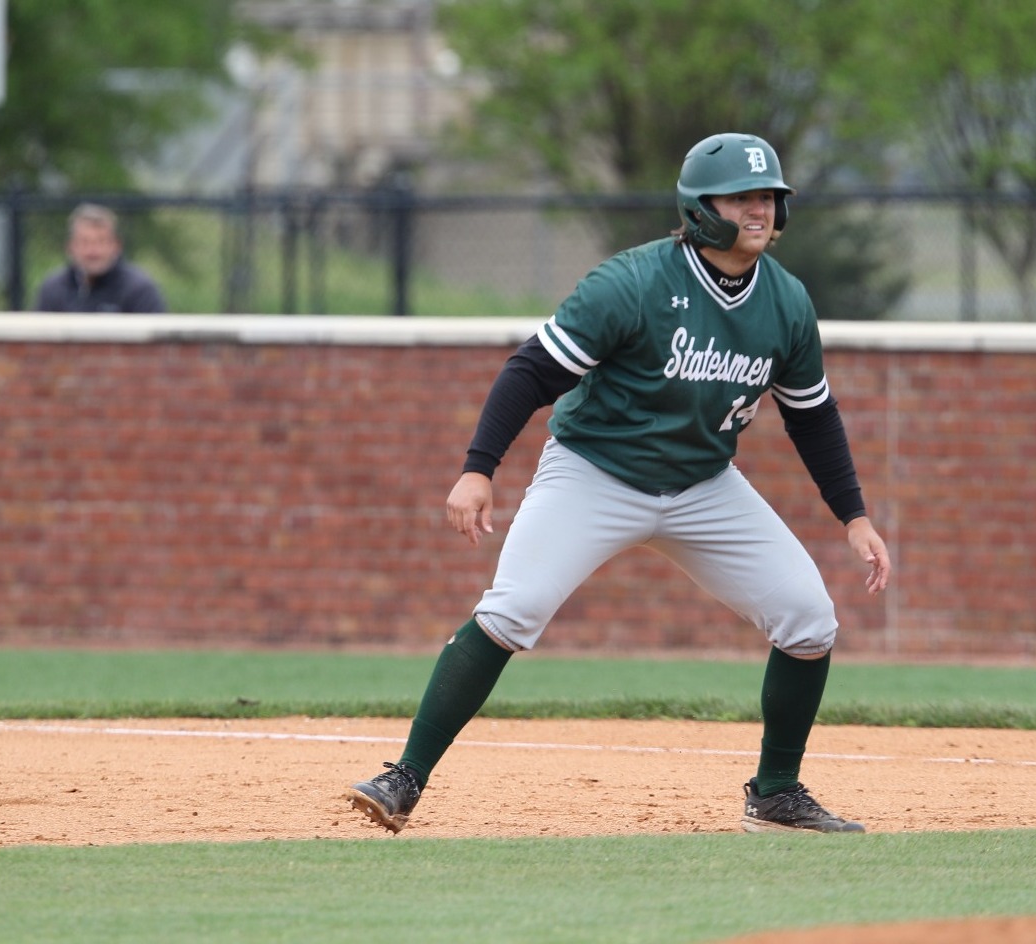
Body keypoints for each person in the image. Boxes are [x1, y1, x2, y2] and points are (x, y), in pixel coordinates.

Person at [345, 132, 892, 835]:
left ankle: (776, 795)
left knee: (810, 621)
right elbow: (531, 371)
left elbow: (814, 417)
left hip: (702, 484)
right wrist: (478, 469)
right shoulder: (633, 283)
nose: (759, 209)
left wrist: (854, 517)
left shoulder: (785, 303)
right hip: (594, 472)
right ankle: (403, 777)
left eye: (768, 197)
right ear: (699, 209)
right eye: (742, 197)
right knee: (513, 610)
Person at [34, 203, 167, 313]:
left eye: (100, 242)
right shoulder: (53, 289)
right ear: (70, 247)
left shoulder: (139, 290)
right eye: (84, 242)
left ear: (116, 245)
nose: (92, 251)